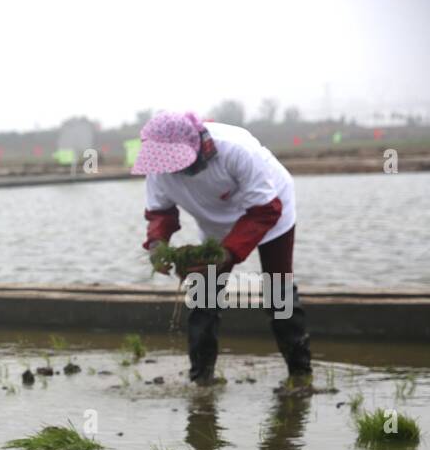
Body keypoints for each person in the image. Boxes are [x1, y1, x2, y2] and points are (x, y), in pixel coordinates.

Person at [133, 111, 312, 386]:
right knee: (203, 295)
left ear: (197, 147)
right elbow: (160, 213)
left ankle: (300, 375)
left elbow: (265, 210)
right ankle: (202, 379)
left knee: (278, 291)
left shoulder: (236, 150)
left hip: (271, 211)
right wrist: (158, 246)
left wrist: (226, 254)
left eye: (179, 164)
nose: (174, 172)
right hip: (214, 222)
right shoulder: (158, 168)